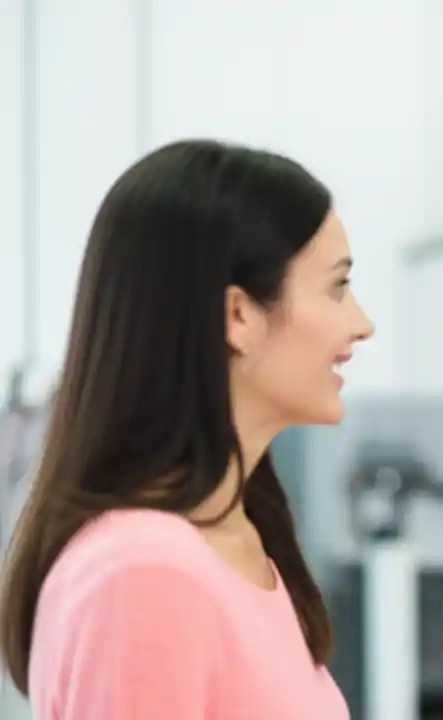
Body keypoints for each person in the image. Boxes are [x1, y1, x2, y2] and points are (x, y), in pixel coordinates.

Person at [0, 138, 373, 719]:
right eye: (337, 287)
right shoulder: (144, 575)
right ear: (238, 315)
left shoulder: (237, 544)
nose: (361, 324)